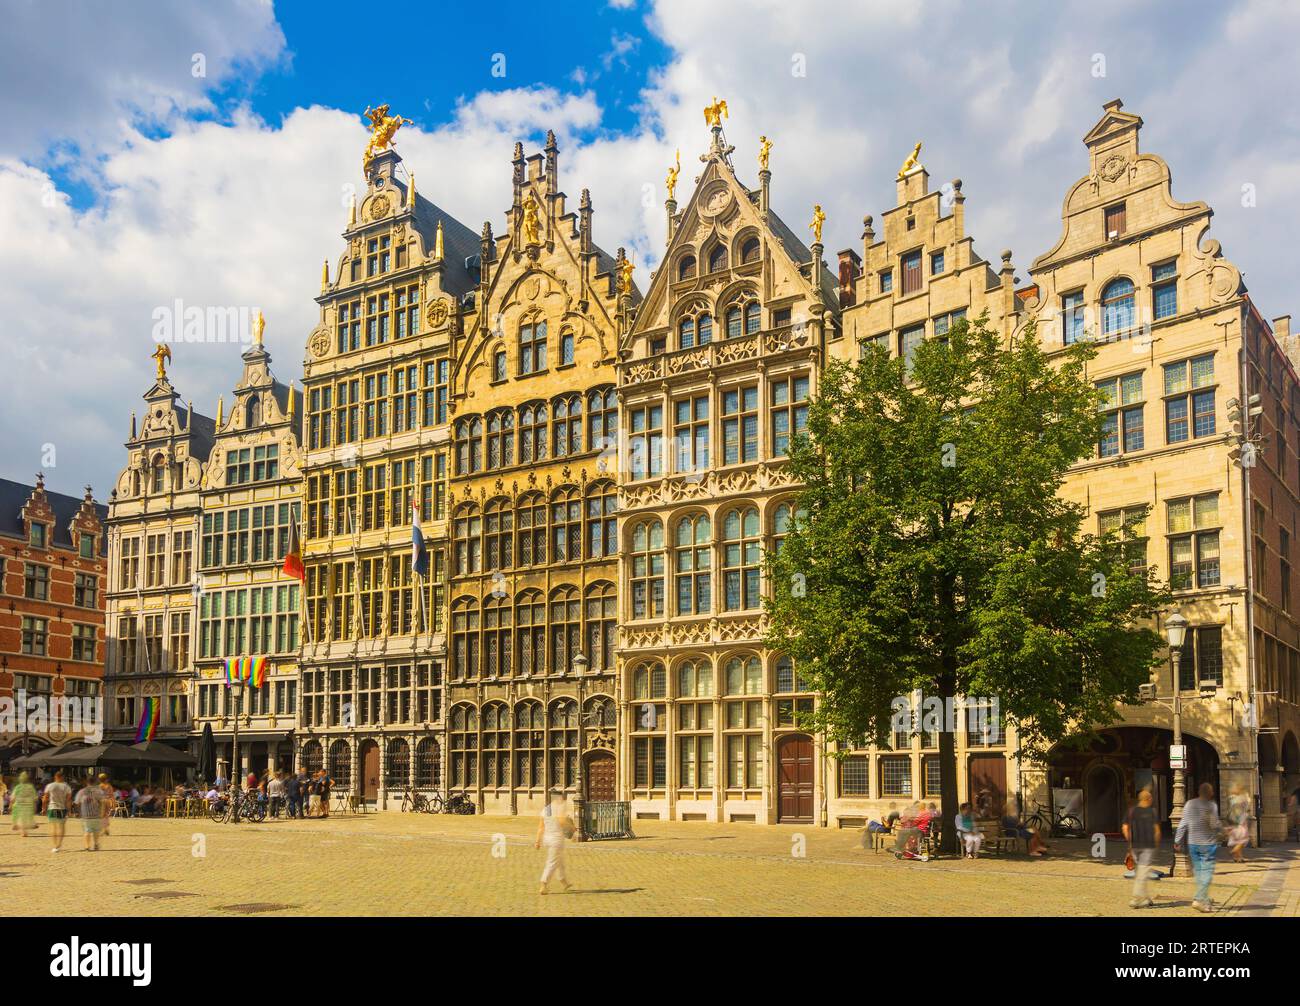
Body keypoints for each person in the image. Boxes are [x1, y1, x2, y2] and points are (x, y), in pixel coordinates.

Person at [1176, 782, 1222, 913]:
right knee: (1206, 872)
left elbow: (1183, 824)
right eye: (1212, 791)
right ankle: (1198, 899)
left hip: (1193, 844)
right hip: (1207, 844)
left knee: (1199, 871)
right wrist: (1221, 830)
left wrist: (1177, 840)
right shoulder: (1211, 805)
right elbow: (1214, 824)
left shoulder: (1189, 804)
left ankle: (1204, 898)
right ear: (1209, 793)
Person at [1122, 788, 1162, 908]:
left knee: (1141, 872)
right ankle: (1136, 898)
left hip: (1135, 846)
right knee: (1142, 873)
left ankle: (1146, 898)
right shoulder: (1153, 812)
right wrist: (1157, 843)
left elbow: (1124, 827)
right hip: (1148, 846)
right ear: (1148, 799)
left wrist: (1130, 840)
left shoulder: (1131, 811)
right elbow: (1157, 831)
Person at [535, 790, 574, 894]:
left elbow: (541, 827)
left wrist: (538, 841)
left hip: (547, 838)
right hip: (556, 839)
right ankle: (544, 884)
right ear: (557, 798)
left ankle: (564, 881)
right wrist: (572, 827)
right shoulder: (558, 808)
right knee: (552, 862)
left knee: (559, 861)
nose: (562, 799)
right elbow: (561, 822)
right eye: (561, 797)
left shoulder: (546, 809)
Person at [41, 770, 72, 853]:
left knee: (53, 827)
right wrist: (69, 811)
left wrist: (43, 808)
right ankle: (59, 844)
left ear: (55, 777)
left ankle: (55, 846)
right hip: (62, 809)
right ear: (62, 777)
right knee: (61, 827)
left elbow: (45, 798)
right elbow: (68, 800)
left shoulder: (50, 786)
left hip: (52, 808)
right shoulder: (67, 787)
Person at [75, 777, 104, 852]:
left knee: (87, 831)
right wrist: (102, 812)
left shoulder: (82, 791)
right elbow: (102, 802)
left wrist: (78, 812)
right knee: (96, 831)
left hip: (85, 815)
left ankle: (87, 846)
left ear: (87, 783)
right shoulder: (98, 791)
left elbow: (77, 803)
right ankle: (96, 844)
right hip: (96, 814)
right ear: (95, 783)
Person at [1226, 787, 1251, 863]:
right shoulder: (1241, 799)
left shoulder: (1231, 799)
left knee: (1237, 841)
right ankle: (1234, 851)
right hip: (1240, 823)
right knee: (1243, 840)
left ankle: (1238, 858)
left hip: (1233, 823)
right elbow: (1247, 807)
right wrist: (1247, 798)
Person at [10, 772, 36, 836]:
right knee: (25, 818)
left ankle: (22, 831)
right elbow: (34, 797)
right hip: (28, 805)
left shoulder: (18, 787)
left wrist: (11, 804)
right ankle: (23, 830)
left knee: (20, 818)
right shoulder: (30, 787)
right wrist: (34, 805)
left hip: (19, 805)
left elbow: (13, 797)